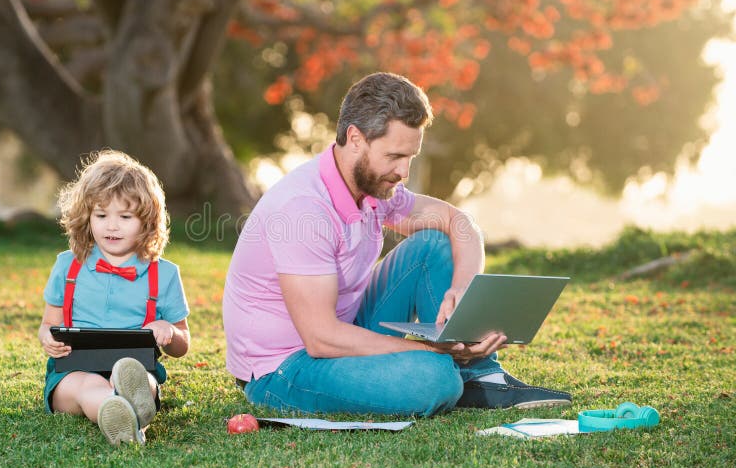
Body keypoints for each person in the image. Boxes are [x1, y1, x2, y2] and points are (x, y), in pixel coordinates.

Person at [223, 72, 571, 416]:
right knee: (433, 379)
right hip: (286, 366)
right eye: (394, 157)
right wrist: (430, 350)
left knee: (434, 245)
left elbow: (459, 224)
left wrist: (463, 292)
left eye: (411, 157)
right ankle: (453, 372)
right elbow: (320, 338)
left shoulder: (375, 187)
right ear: (355, 138)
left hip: (347, 328)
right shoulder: (303, 208)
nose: (404, 172)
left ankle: (481, 376)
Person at [38, 150, 191, 445]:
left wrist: (169, 332)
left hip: (136, 365)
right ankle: (118, 412)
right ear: (87, 216)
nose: (112, 226)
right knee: (87, 387)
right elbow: (48, 324)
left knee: (141, 381)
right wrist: (48, 338)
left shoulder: (164, 274)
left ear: (146, 221)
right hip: (74, 369)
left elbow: (182, 344)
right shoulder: (67, 266)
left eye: (125, 216)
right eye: (101, 215)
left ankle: (130, 404)